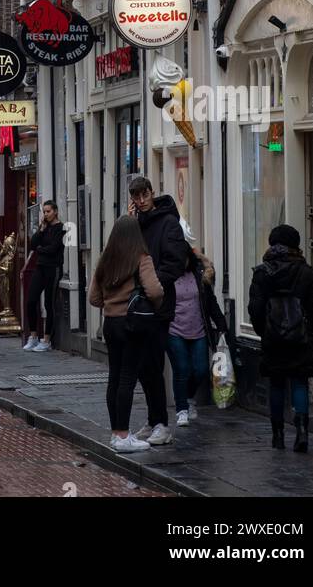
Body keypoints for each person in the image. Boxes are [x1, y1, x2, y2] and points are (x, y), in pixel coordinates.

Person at [89, 215, 164, 453]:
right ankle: (123, 436)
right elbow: (154, 290)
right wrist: (153, 304)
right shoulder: (142, 258)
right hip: (133, 324)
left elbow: (94, 298)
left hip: (111, 324)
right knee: (128, 379)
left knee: (114, 377)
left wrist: (111, 302)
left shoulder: (105, 259)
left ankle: (115, 433)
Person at [248, 224, 313, 451]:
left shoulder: (262, 273)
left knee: (277, 383)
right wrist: (311, 332)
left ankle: (278, 434)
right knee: (300, 381)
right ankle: (302, 431)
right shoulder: (306, 272)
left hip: (273, 338)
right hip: (300, 338)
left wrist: (264, 331)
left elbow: (255, 308)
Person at [127, 176, 192, 446]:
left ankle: (162, 424)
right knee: (141, 365)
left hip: (159, 305)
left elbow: (175, 263)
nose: (141, 201)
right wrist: (129, 224)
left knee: (153, 364)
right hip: (135, 304)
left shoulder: (168, 224)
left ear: (152, 193)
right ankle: (154, 419)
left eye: (145, 195)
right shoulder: (135, 224)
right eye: (136, 197)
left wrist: (151, 284)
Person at [166, 238, 228, 426]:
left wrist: (221, 324)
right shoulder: (167, 277)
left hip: (198, 331)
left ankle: (189, 398)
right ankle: (182, 409)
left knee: (201, 370)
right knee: (181, 369)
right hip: (174, 330)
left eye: (183, 258)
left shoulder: (199, 275)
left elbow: (211, 302)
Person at [24, 200, 65, 352]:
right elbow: (33, 244)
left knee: (49, 303)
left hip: (53, 268)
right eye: (44, 211)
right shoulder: (45, 228)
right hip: (40, 267)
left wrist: (41, 249)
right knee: (31, 300)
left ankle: (47, 339)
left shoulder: (61, 228)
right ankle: (33, 336)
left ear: (55, 211)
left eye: (48, 211)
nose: (45, 214)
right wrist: (41, 229)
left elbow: (54, 248)